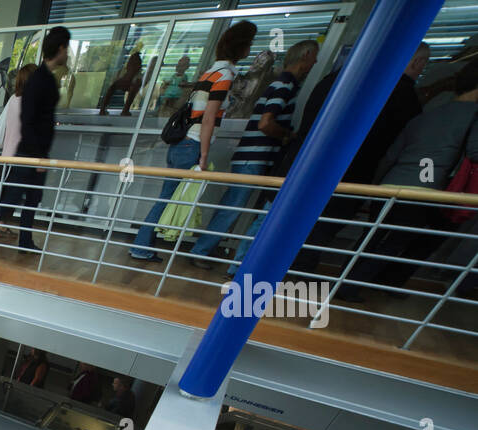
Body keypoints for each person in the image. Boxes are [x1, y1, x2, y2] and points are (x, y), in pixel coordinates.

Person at [337, 63, 478, 301]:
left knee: (371, 238)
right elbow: (475, 152)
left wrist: (375, 186)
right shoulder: (473, 117)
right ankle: (350, 288)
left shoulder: (426, 115)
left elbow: (391, 155)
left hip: (391, 183)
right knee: (394, 242)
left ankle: (344, 282)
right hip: (424, 189)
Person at [291, 43, 428, 276]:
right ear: (416, 63)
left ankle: (275, 280)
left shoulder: (336, 79)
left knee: (292, 226)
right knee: (319, 233)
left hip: (302, 169)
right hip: (349, 177)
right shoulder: (402, 95)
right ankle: (292, 284)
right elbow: (395, 144)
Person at [130, 20, 257, 261]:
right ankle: (141, 245)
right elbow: (209, 119)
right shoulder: (225, 75)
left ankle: (142, 244)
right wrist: (204, 154)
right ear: (242, 48)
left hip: (182, 143)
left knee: (167, 196)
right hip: (192, 144)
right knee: (168, 198)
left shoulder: (209, 73)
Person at [186, 40, 319, 269]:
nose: (315, 62)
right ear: (305, 55)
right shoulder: (284, 84)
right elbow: (266, 123)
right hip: (254, 156)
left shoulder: (281, 83)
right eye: (314, 56)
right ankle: (203, 250)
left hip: (253, 156)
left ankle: (206, 248)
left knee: (233, 205)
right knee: (234, 205)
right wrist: (287, 135)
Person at [3, 27, 71, 253]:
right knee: (12, 199)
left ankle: (24, 242)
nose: (68, 52)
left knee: (30, 200)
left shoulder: (43, 80)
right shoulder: (40, 81)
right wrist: (38, 155)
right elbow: (29, 120)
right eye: (66, 47)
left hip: (32, 154)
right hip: (29, 156)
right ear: (60, 48)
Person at [0, 63, 38, 247]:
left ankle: (22, 241)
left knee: (15, 200)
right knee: (12, 201)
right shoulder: (29, 104)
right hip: (22, 159)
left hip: (11, 158)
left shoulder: (14, 101)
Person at [99, 51, 144, 117]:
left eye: (135, 64)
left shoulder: (137, 79)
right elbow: (112, 87)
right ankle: (104, 109)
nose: (132, 66)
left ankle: (124, 110)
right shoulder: (121, 75)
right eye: (131, 63)